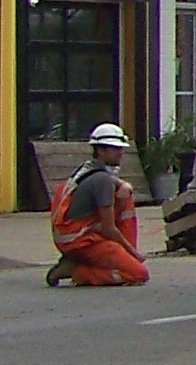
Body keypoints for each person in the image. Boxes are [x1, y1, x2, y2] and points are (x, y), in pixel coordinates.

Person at [47, 123, 150, 287]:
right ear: (101, 151)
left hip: (72, 237)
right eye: (115, 149)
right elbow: (109, 228)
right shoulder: (101, 181)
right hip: (81, 241)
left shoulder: (88, 169)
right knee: (138, 274)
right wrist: (133, 252)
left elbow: (115, 183)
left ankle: (117, 260)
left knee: (125, 196)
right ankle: (77, 271)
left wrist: (125, 186)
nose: (121, 153)